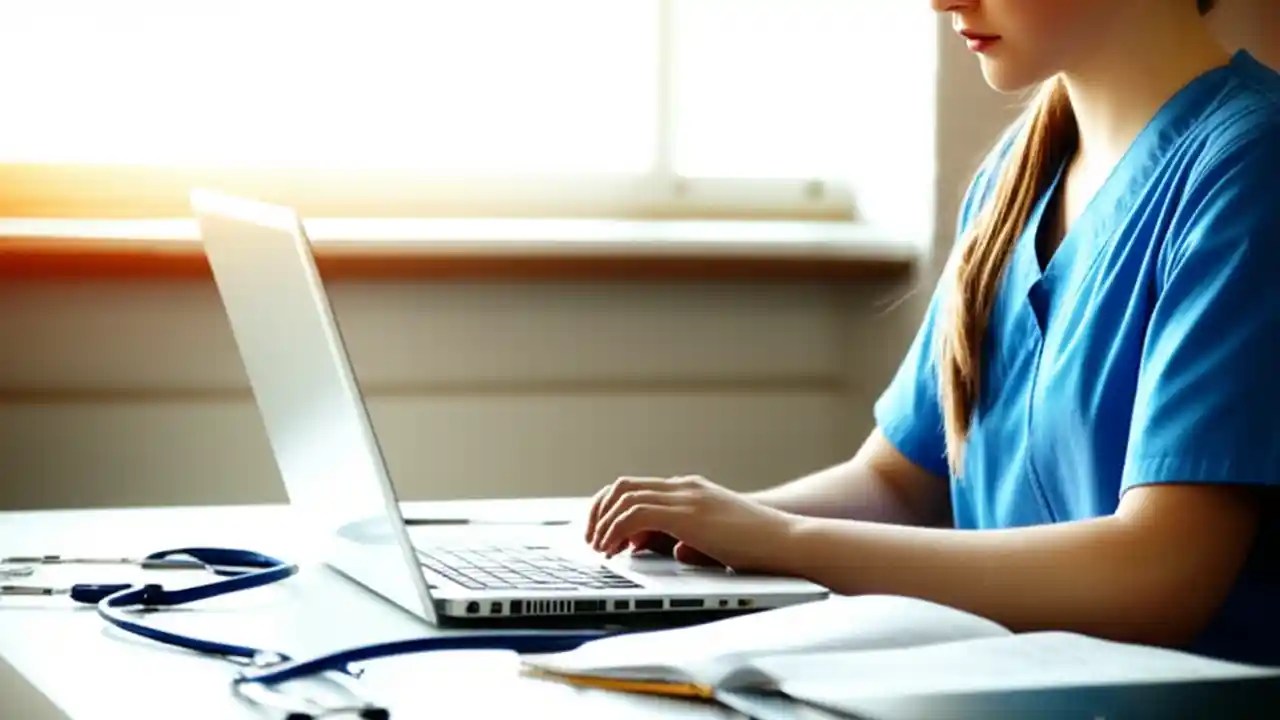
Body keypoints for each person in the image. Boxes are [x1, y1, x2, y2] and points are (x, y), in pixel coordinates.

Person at [584, 0, 1280, 665]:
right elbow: (899, 485)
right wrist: (698, 526)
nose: (942, 2)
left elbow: (1160, 576)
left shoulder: (1251, 168)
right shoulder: (1016, 176)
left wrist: (782, 539)